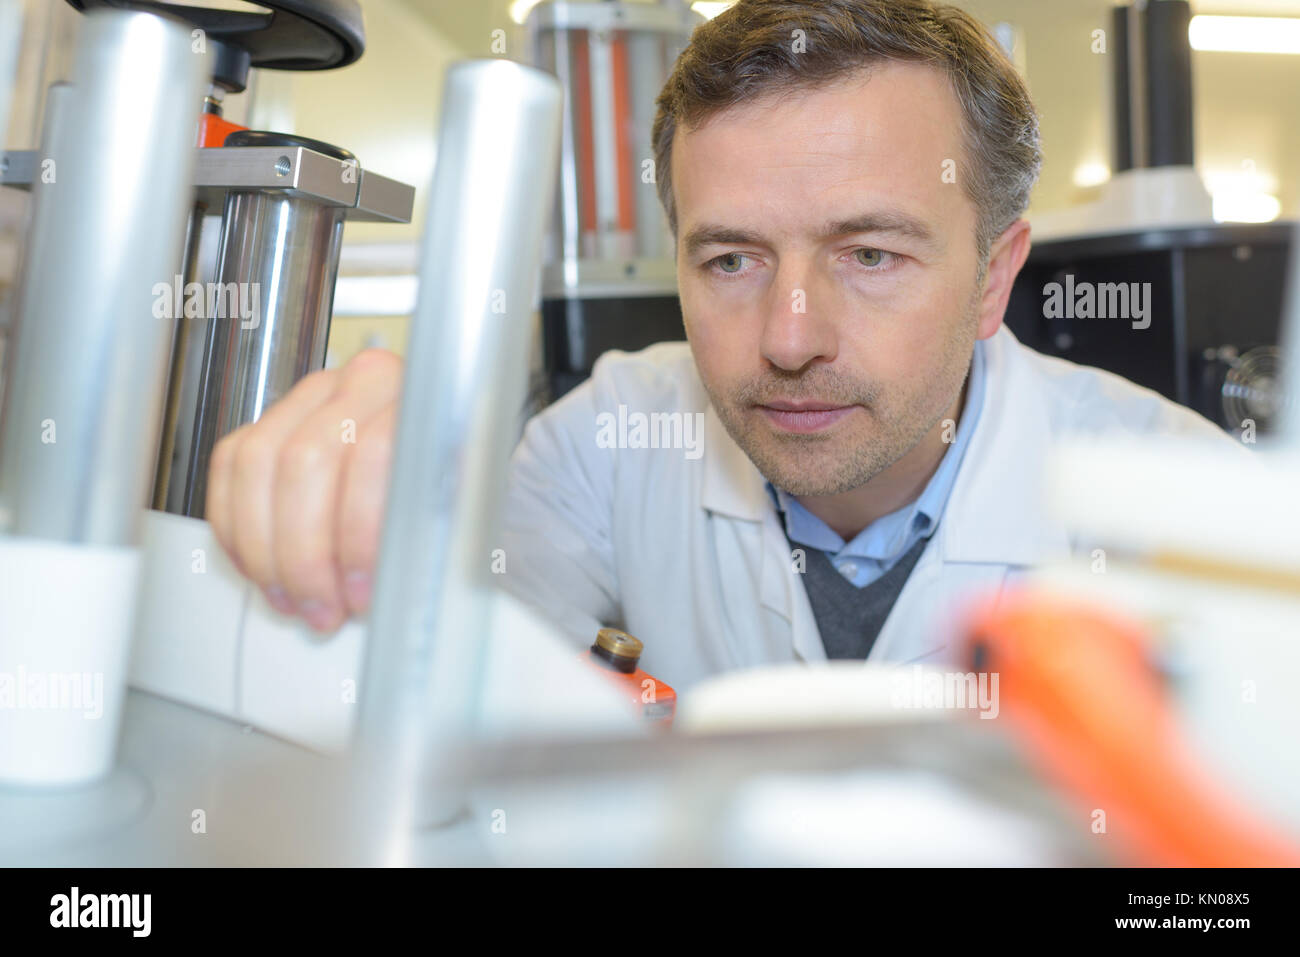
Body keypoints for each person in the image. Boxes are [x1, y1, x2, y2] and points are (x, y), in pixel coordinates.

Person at [205, 0, 1232, 690]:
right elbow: (446, 667)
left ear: (994, 277)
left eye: (870, 255)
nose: (788, 339)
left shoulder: (1190, 509)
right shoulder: (612, 439)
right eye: (732, 259)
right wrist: (366, 528)